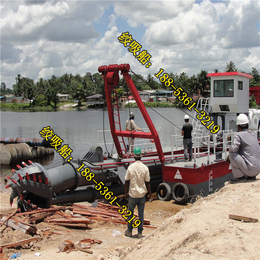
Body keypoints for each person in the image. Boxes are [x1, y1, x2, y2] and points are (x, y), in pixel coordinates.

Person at [124, 147, 152, 239]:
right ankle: (140, 233)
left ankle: (129, 231)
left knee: (130, 213)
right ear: (141, 156)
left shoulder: (130, 167)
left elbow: (126, 181)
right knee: (141, 214)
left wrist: (125, 193)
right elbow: (147, 183)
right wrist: (150, 195)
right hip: (142, 195)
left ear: (134, 156)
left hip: (132, 194)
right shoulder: (145, 168)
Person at [228, 113, 260, 183]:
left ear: (238, 127)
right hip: (257, 170)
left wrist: (229, 151)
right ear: (248, 125)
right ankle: (251, 177)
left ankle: (239, 177)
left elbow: (233, 149)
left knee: (232, 154)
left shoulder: (239, 135)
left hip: (250, 170)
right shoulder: (254, 134)